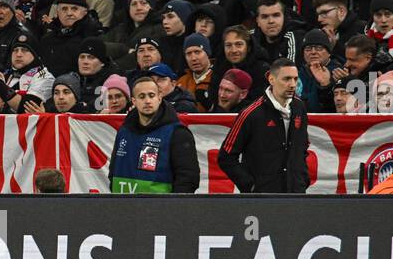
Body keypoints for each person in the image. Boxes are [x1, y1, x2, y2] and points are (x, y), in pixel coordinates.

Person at [218, 58, 310, 194]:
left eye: (295, 79)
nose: (292, 84)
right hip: (262, 197)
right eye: (286, 79)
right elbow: (226, 156)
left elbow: (302, 146)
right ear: (271, 79)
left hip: (295, 193)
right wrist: (250, 186)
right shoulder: (251, 113)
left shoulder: (299, 107)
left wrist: (302, 180)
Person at [107, 74, 199, 193]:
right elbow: (113, 170)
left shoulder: (178, 133)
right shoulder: (124, 131)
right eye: (142, 96)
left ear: (159, 97)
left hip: (162, 209)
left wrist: (175, 207)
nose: (147, 101)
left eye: (151, 95)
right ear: (134, 101)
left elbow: (188, 178)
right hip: (123, 207)